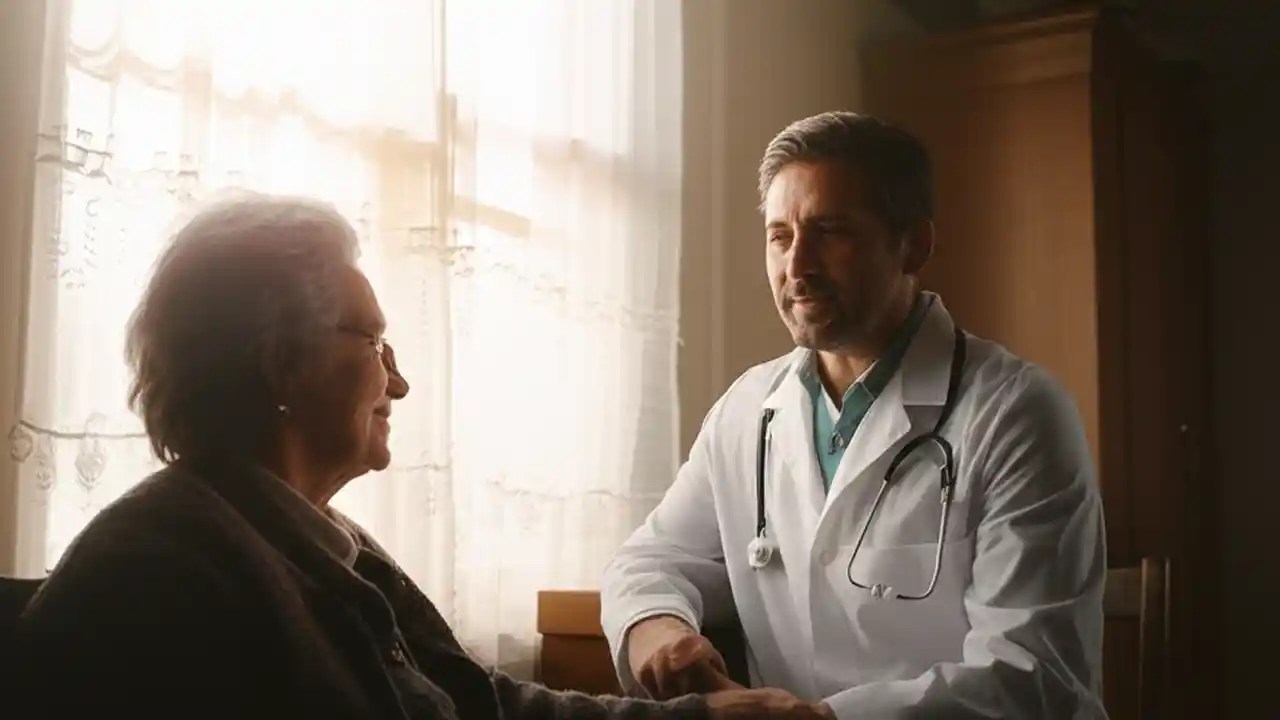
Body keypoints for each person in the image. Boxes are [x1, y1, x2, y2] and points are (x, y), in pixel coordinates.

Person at [13, 194, 829, 719]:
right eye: (372, 342)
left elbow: (483, 704)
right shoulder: (160, 570)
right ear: (279, 360)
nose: (398, 383)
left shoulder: (331, 545)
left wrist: (699, 718)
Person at [600, 112, 1108, 718]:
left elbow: (1031, 675)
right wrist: (661, 634)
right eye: (780, 236)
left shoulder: (1016, 414)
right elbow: (650, 561)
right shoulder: (747, 413)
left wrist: (821, 718)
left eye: (830, 231)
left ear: (914, 244)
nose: (798, 265)